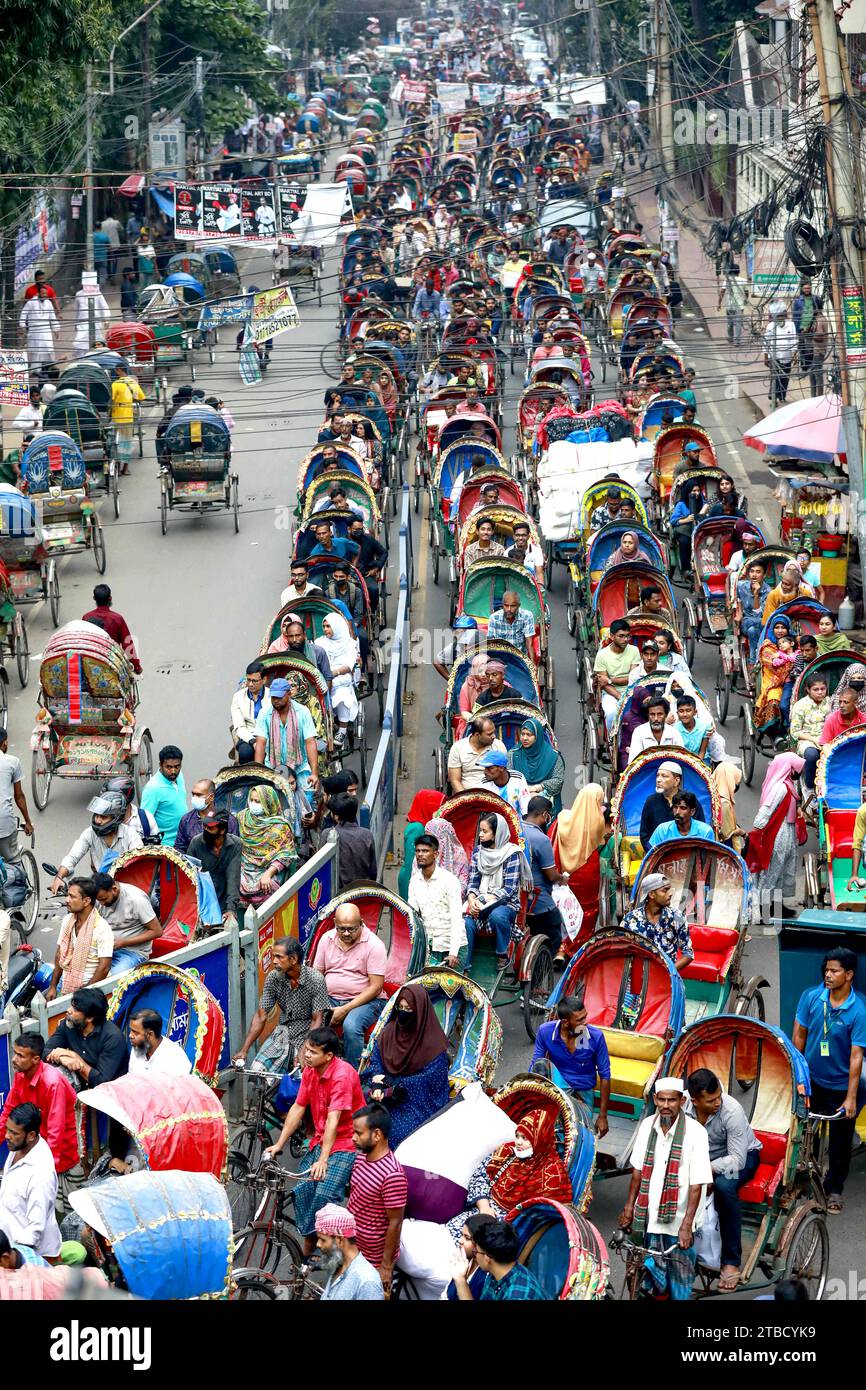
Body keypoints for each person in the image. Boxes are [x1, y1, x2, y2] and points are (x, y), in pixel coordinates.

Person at [263, 1027, 365, 1254]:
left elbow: (333, 1120)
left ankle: (327, 1250)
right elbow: (299, 1107)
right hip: (321, 1139)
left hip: (347, 1142)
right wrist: (279, 1144)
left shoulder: (342, 1076)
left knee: (324, 1196)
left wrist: (324, 1160)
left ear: (328, 1056)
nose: (306, 1055)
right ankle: (311, 1245)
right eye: (306, 1049)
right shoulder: (310, 1071)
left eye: (313, 1052)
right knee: (302, 1191)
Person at [617, 1077, 713, 1301]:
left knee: (679, 1280)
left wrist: (687, 1226)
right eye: (662, 1100)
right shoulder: (647, 1126)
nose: (666, 1105)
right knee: (638, 1271)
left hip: (678, 1219)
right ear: (655, 1100)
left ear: (682, 1100)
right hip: (648, 1215)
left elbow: (697, 1184)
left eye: (672, 1100)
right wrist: (629, 1208)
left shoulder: (696, 1133)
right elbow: (637, 1172)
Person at [794, 947, 866, 1214]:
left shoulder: (858, 1010)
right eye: (826, 970)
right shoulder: (811, 997)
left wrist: (850, 1097)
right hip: (811, 1081)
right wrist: (797, 1077)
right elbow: (799, 1035)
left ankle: (834, 1189)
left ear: (848, 975)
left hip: (839, 1086)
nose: (828, 974)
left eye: (834, 971)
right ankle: (805, 1182)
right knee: (805, 1134)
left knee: (839, 1142)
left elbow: (856, 1056)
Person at [685, 1068, 763, 1290]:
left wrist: (706, 1170)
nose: (718, 1102)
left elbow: (737, 1160)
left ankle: (731, 1261)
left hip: (742, 1157)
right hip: (704, 1159)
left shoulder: (731, 1110)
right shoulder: (683, 1106)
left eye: (719, 1096)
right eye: (711, 1100)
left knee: (723, 1187)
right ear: (694, 1101)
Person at [361, 983, 450, 1151]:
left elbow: (428, 1081)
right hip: (385, 1094)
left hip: (416, 1101)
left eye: (408, 1009)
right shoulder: (389, 1032)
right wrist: (378, 1084)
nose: (403, 1013)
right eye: (400, 1008)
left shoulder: (434, 1044)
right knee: (357, 1121)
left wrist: (393, 1083)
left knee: (395, 1133)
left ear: (420, 1012)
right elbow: (376, 1062)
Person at [308, 904, 386, 1068]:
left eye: (351, 929)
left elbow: (376, 987)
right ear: (335, 923)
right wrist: (322, 1002)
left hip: (366, 1001)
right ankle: (313, 1067)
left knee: (351, 1026)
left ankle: (352, 1074)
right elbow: (316, 975)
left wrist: (345, 1009)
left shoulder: (374, 944)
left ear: (361, 924)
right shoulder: (326, 939)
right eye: (341, 929)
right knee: (308, 1018)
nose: (346, 934)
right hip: (330, 997)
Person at [347, 1104, 407, 1291]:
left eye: (359, 1133)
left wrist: (386, 1267)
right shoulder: (360, 1159)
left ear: (377, 1135)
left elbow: (395, 1223)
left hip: (372, 1261)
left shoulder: (392, 1175)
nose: (353, 1137)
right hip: (352, 1248)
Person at [531, 992, 611, 1132]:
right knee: (540, 1065)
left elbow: (605, 1075)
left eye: (585, 1017)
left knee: (578, 1132)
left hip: (582, 1091)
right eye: (579, 1020)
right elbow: (535, 1065)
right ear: (565, 1022)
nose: (585, 1022)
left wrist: (603, 1116)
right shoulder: (545, 1032)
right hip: (556, 1086)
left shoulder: (596, 1037)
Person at [0, 1036, 77, 1175]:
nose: (13, 1059)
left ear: (35, 1059)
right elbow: (8, 1112)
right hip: (37, 1153)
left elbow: (56, 1131)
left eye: (20, 1055)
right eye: (14, 1053)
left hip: (63, 1157)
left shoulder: (53, 1084)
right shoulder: (21, 1075)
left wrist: (47, 1171)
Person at [463, 811, 527, 970]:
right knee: (465, 923)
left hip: (505, 904)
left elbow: (510, 888)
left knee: (497, 916)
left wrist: (488, 900)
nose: (481, 835)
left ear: (496, 833)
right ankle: (465, 965)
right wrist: (472, 900)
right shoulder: (478, 852)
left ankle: (502, 954)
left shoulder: (511, 854)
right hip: (480, 901)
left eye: (485, 831)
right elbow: (473, 881)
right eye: (480, 831)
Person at [0, 1103, 62, 1261]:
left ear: (31, 1135)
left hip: (31, 1259)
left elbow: (35, 1229)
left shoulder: (41, 1174)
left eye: (14, 1133)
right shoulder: (18, 1146)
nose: (7, 1136)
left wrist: (16, 1262)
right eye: (8, 1129)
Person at [747, 753, 806, 921]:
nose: (798, 773)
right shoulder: (781, 787)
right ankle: (764, 912)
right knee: (771, 873)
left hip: (785, 834)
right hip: (778, 835)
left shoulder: (787, 785)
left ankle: (775, 907)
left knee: (777, 872)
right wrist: (756, 833)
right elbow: (766, 811)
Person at [46, 987, 128, 1087]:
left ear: (90, 1017)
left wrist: (76, 1058)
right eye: (71, 1006)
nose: (68, 1010)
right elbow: (43, 1050)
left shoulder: (112, 1037)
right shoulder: (68, 1024)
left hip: (111, 1092)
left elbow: (102, 1082)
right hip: (80, 1085)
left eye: (75, 1009)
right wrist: (62, 1057)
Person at [46, 878, 113, 999]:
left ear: (86, 901)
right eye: (67, 895)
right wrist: (53, 986)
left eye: (72, 897)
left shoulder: (101, 928)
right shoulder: (68, 920)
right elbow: (59, 955)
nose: (67, 900)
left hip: (89, 990)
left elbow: (104, 968)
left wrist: (83, 996)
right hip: (66, 983)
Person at [408, 833, 467, 970]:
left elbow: (457, 919)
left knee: (451, 990)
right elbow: (414, 916)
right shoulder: (414, 882)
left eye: (425, 851)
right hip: (429, 946)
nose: (420, 855)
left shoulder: (449, 881)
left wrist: (453, 953)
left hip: (452, 946)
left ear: (435, 854)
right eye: (418, 851)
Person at [452, 1218, 546, 1300]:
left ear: (487, 1258)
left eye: (476, 1251)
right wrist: (460, 1279)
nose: (475, 1255)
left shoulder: (518, 1296)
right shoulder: (499, 1271)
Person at [236, 783, 297, 906]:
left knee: (267, 886)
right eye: (251, 800)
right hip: (244, 867)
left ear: (268, 803)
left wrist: (268, 874)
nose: (253, 804)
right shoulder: (242, 818)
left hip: (269, 869)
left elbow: (286, 855)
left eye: (258, 801)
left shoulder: (280, 826)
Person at [254, 677, 318, 792]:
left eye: (279, 697)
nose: (276, 701)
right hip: (272, 769)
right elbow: (261, 743)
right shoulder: (264, 713)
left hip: (299, 768)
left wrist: (314, 773)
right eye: (273, 698)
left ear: (289, 694)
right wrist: (259, 774)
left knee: (307, 800)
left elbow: (310, 742)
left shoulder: (302, 712)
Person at [620, 873, 694, 972]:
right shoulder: (630, 920)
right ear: (651, 894)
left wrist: (667, 972)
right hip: (638, 978)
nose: (670, 894)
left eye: (669, 889)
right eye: (665, 890)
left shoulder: (677, 917)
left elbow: (688, 953)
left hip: (668, 979)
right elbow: (622, 951)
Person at [92, 871, 162, 975]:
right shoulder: (99, 898)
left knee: (113, 979)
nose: (102, 903)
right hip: (106, 947)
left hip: (133, 952)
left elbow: (157, 931)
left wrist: (123, 942)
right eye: (99, 900)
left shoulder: (136, 899)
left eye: (104, 899)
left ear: (114, 889)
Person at [315, 1203, 384, 1301]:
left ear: (339, 1240)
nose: (318, 1244)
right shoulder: (338, 1263)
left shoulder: (367, 1282)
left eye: (323, 1240)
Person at [188, 810, 242, 927]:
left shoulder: (235, 844)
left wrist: (231, 909)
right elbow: (190, 878)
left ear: (222, 830)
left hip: (224, 900)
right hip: (202, 904)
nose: (206, 830)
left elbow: (233, 877)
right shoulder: (196, 843)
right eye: (205, 826)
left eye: (210, 828)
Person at [316, 614, 360, 748]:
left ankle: (342, 730)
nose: (325, 629)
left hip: (341, 680)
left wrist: (333, 673)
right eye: (324, 626)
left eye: (328, 626)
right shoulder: (319, 643)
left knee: (342, 697)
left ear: (337, 626)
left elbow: (349, 665)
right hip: (323, 679)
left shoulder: (349, 644)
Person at [81, 586, 141, 673]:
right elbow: (127, 644)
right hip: (113, 663)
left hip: (89, 663)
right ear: (110, 598)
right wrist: (136, 666)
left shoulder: (86, 617)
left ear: (94, 598)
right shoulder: (117, 619)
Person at [594, 620, 641, 730]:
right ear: (612, 636)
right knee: (611, 714)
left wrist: (610, 680)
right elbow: (603, 683)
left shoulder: (634, 650)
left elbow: (632, 678)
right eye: (621, 636)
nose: (625, 640)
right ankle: (612, 743)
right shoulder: (602, 655)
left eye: (627, 636)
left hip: (631, 690)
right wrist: (621, 698)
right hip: (610, 694)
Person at [175, 779, 239, 856]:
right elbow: (179, 848)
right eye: (193, 794)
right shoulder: (186, 820)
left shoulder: (228, 820)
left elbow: (234, 850)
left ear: (211, 797)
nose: (194, 798)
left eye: (199, 795)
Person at [790, 675, 832, 789]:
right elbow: (795, 732)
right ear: (808, 690)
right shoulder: (800, 706)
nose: (820, 692)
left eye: (823, 689)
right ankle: (810, 788)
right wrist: (814, 740)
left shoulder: (830, 703)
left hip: (828, 739)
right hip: (807, 740)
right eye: (816, 689)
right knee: (812, 755)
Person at [140, 746, 186, 848]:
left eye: (177, 767)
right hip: (166, 846)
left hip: (183, 840)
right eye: (169, 767)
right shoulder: (153, 789)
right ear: (160, 765)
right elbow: (144, 822)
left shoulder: (179, 776)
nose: (173, 771)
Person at [330, 794, 377, 890]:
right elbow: (373, 873)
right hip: (363, 893)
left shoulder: (329, 835)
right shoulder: (367, 835)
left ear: (336, 816)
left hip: (339, 896)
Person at [127, 1008, 192, 1076]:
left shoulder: (175, 1057)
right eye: (131, 1030)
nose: (130, 1035)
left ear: (150, 1034)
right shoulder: (138, 1046)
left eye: (135, 1032)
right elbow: (131, 1079)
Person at [230, 662, 271, 765]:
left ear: (264, 680)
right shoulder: (238, 697)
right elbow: (239, 727)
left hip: (269, 737)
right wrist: (253, 741)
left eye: (254, 681)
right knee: (245, 752)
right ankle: (246, 779)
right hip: (247, 737)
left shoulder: (272, 696)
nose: (250, 684)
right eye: (248, 680)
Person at [647, 791, 716, 849]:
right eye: (675, 807)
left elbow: (709, 859)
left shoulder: (705, 832)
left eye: (683, 808)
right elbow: (651, 857)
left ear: (692, 812)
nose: (677, 812)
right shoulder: (662, 830)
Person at [639, 760, 683, 847]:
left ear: (676, 781)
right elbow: (644, 835)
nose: (658, 780)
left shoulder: (688, 802)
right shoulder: (651, 802)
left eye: (664, 776)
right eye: (657, 775)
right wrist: (654, 853)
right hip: (656, 854)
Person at [628, 696, 685, 762]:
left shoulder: (674, 733)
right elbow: (633, 762)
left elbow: (681, 759)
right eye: (652, 714)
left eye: (660, 714)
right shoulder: (639, 732)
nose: (656, 719)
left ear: (666, 715)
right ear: (648, 715)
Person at [487, 592, 537, 665]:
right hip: (500, 658)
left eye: (513, 606)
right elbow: (490, 642)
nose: (509, 609)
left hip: (520, 658)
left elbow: (529, 643)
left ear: (518, 606)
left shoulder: (527, 616)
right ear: (502, 605)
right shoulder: (494, 618)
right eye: (506, 605)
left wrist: (533, 665)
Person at [735, 561, 771, 661]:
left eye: (758, 572)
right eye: (752, 571)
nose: (754, 575)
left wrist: (756, 595)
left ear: (764, 575)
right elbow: (735, 601)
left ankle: (753, 661)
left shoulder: (768, 592)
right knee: (753, 623)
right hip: (746, 621)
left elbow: (758, 614)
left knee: (753, 630)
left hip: (759, 623)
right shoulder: (741, 586)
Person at [481, 749, 530, 819]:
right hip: (494, 824)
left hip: (518, 823)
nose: (485, 772)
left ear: (501, 768)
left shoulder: (518, 778)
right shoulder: (484, 783)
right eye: (485, 768)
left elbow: (525, 806)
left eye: (490, 768)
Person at [762, 561, 814, 626]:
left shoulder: (806, 593)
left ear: (796, 585)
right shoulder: (773, 595)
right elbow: (768, 620)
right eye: (782, 583)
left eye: (787, 584)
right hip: (779, 629)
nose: (783, 586)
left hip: (801, 628)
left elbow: (811, 614)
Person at [19, 287, 59, 369]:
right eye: (43, 294)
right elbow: (24, 313)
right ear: (39, 293)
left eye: (46, 294)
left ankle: (50, 368)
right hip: (35, 331)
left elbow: (52, 316)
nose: (45, 295)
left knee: (49, 348)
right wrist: (22, 326)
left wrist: (55, 329)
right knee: (37, 350)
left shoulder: (48, 303)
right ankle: (35, 370)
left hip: (46, 331)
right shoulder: (31, 303)